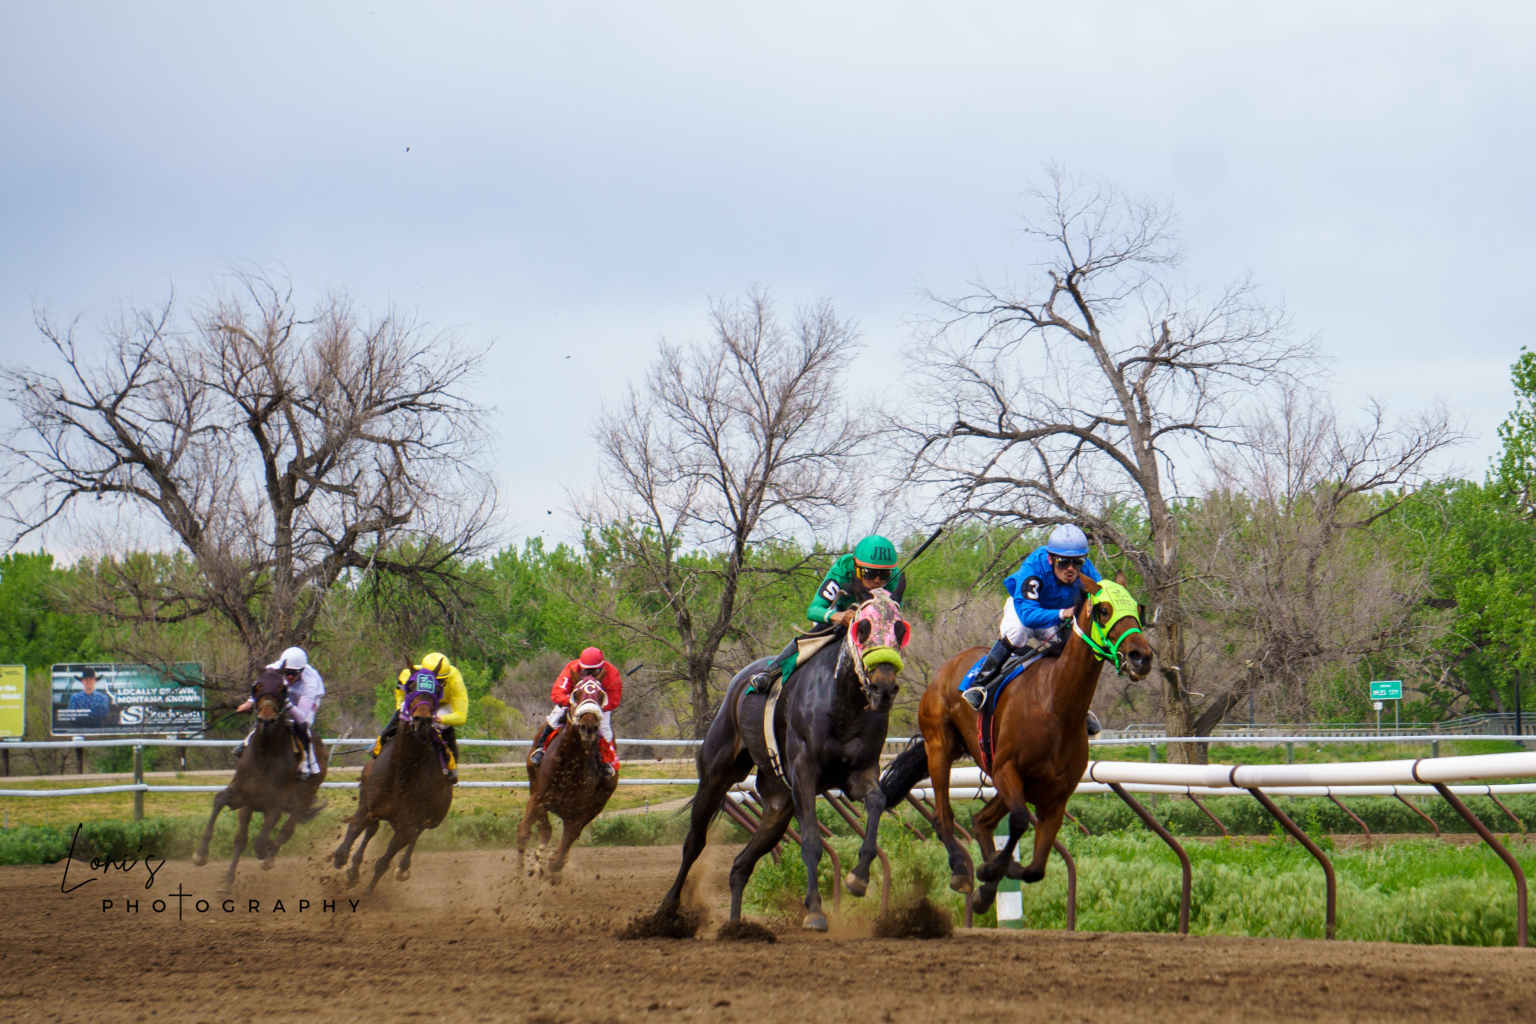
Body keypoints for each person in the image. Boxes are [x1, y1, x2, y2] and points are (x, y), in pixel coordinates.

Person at [959, 524, 1104, 733]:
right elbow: (1028, 615)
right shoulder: (1034, 566)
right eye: (1064, 562)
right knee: (1017, 633)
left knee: (1075, 645)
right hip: (1024, 610)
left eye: (1077, 562)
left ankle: (1082, 706)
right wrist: (1065, 613)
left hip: (1055, 615)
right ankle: (980, 685)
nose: (1071, 568)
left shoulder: (1086, 569)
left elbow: (1103, 594)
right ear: (1051, 559)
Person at [746, 534, 907, 695]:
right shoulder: (841, 571)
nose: (877, 580)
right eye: (869, 573)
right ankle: (769, 673)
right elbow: (813, 610)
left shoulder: (894, 578)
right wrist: (837, 616)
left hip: (870, 619)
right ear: (856, 566)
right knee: (821, 633)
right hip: (839, 610)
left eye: (884, 574)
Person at [369, 652, 468, 784]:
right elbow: (400, 692)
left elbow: (461, 717)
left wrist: (440, 719)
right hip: (421, 701)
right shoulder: (408, 674)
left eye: (440, 681)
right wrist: (402, 710)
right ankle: (380, 742)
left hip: (443, 705)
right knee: (402, 710)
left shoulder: (455, 680)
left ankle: (451, 766)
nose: (436, 683)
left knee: (444, 724)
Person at [234, 647, 326, 779]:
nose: (289, 676)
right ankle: (246, 743)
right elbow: (259, 687)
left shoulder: (310, 685)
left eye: (294, 673)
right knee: (266, 715)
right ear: (283, 668)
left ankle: (307, 762)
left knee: (301, 726)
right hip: (283, 693)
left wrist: (286, 702)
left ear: (302, 671)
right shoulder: (273, 669)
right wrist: (249, 702)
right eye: (287, 672)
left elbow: (301, 717)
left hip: (307, 702)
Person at [529, 647, 622, 777]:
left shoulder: (612, 674)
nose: (590, 675)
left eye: (595, 672)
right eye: (586, 671)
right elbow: (557, 693)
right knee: (554, 719)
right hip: (574, 701)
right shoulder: (571, 668)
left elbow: (613, 701)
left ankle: (607, 761)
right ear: (581, 667)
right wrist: (573, 702)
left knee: (605, 729)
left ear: (601, 667)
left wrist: (595, 705)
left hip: (599, 704)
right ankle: (540, 748)